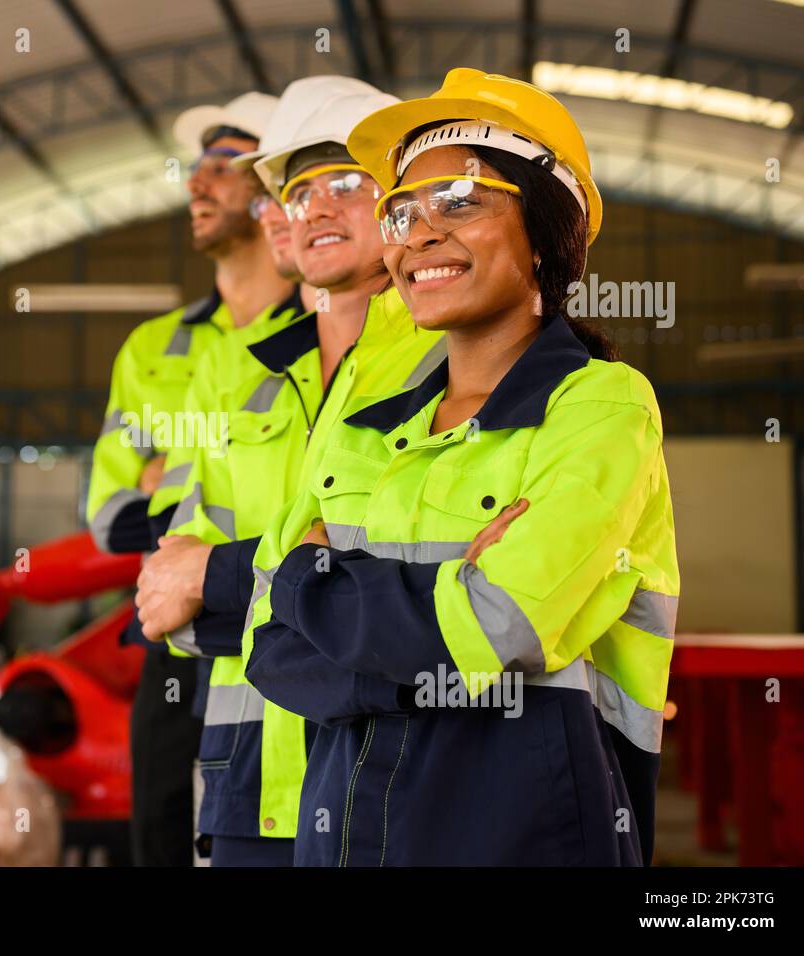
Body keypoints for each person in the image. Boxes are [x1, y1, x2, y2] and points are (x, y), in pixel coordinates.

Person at [244, 68, 680, 866]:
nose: (418, 235)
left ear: (547, 235)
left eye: (462, 202)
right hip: (346, 835)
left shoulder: (604, 408)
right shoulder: (364, 430)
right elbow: (268, 649)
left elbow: (499, 623)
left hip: (527, 835)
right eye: (402, 212)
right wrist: (439, 618)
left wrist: (318, 581)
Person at [133, 76, 446, 866]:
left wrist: (227, 579)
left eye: (347, 181)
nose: (317, 207)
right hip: (248, 777)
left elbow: (416, 588)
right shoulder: (246, 384)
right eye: (297, 190)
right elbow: (171, 603)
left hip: (396, 769)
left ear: (400, 204)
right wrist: (284, 583)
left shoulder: (447, 362)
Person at [85, 92, 302, 867]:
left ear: (275, 182)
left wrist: (174, 470)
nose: (197, 184)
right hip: (173, 637)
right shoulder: (154, 347)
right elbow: (111, 516)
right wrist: (202, 493)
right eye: (196, 167)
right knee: (164, 830)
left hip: (288, 619)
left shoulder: (326, 330)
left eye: (222, 164)